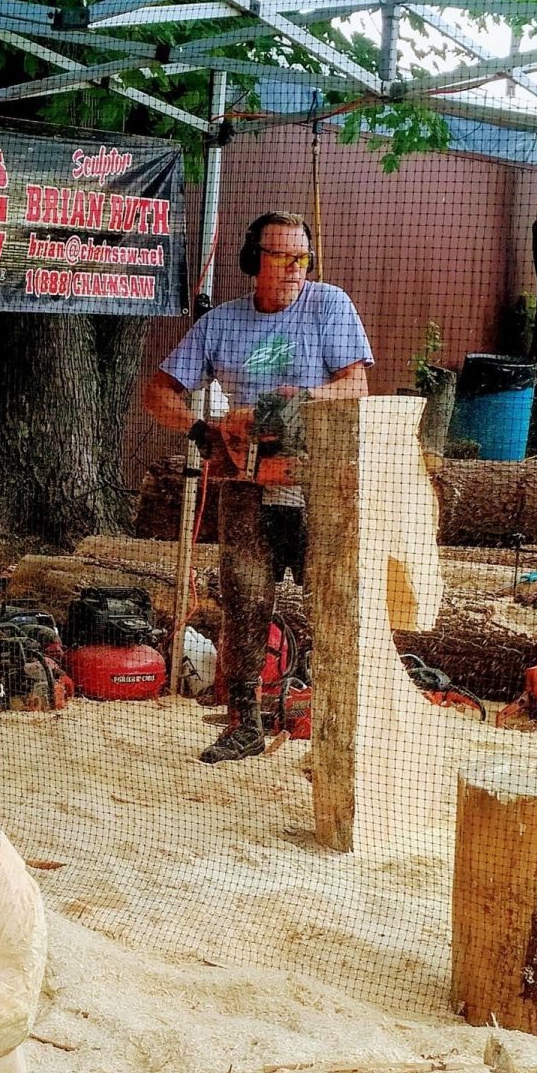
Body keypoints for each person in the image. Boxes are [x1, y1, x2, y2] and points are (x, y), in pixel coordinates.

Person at [143, 210, 373, 763]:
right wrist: (207, 427)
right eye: (282, 257)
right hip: (247, 485)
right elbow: (159, 392)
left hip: (320, 485)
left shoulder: (329, 304)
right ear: (253, 262)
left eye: (302, 257)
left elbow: (357, 383)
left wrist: (299, 402)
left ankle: (340, 724)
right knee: (245, 602)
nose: (295, 268)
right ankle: (244, 722)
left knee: (334, 602)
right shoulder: (222, 323)